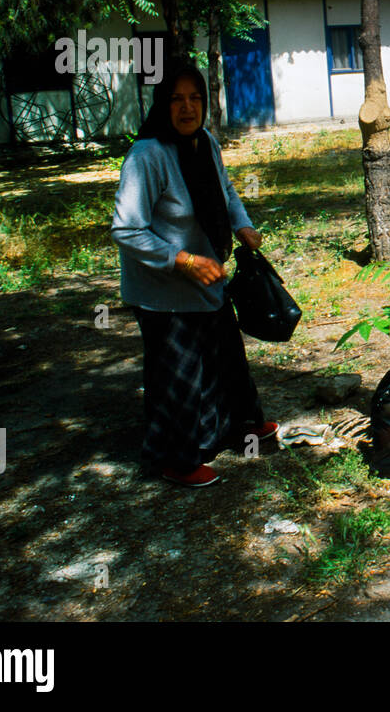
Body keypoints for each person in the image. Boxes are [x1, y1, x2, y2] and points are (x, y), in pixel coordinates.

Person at [111, 60, 276, 487]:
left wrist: (242, 225)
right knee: (179, 376)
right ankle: (176, 460)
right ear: (161, 105)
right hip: (164, 289)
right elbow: (126, 229)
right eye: (177, 100)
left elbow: (226, 191)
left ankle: (242, 428)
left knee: (228, 358)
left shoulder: (206, 142)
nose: (187, 108)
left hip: (208, 277)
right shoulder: (147, 155)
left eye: (195, 98)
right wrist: (181, 260)